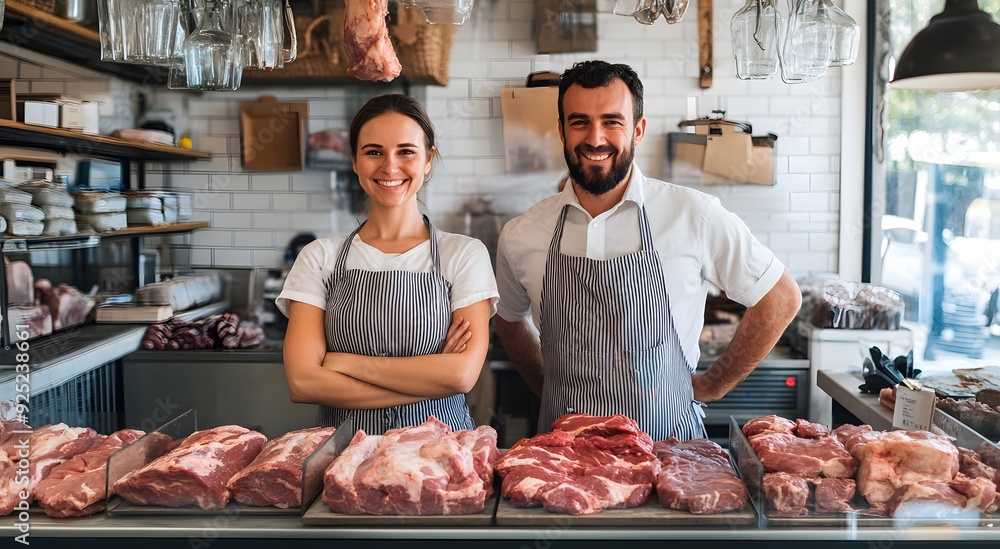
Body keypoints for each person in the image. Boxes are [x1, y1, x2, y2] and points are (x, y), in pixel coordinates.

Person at [494, 60, 802, 441]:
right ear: (561, 130)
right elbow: (508, 319)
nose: (595, 138)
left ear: (638, 130)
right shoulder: (521, 234)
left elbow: (780, 298)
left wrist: (713, 385)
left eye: (612, 121)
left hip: (670, 458)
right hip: (563, 464)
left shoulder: (694, 214)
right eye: (579, 122)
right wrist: (547, 388)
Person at [278, 94, 499, 434]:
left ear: (428, 159)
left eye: (406, 151)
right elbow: (304, 383)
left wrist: (343, 363)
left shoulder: (464, 254)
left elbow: (460, 375)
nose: (390, 167)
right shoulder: (319, 257)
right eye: (374, 152)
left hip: (439, 460)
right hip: (343, 461)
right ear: (354, 161)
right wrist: (428, 379)